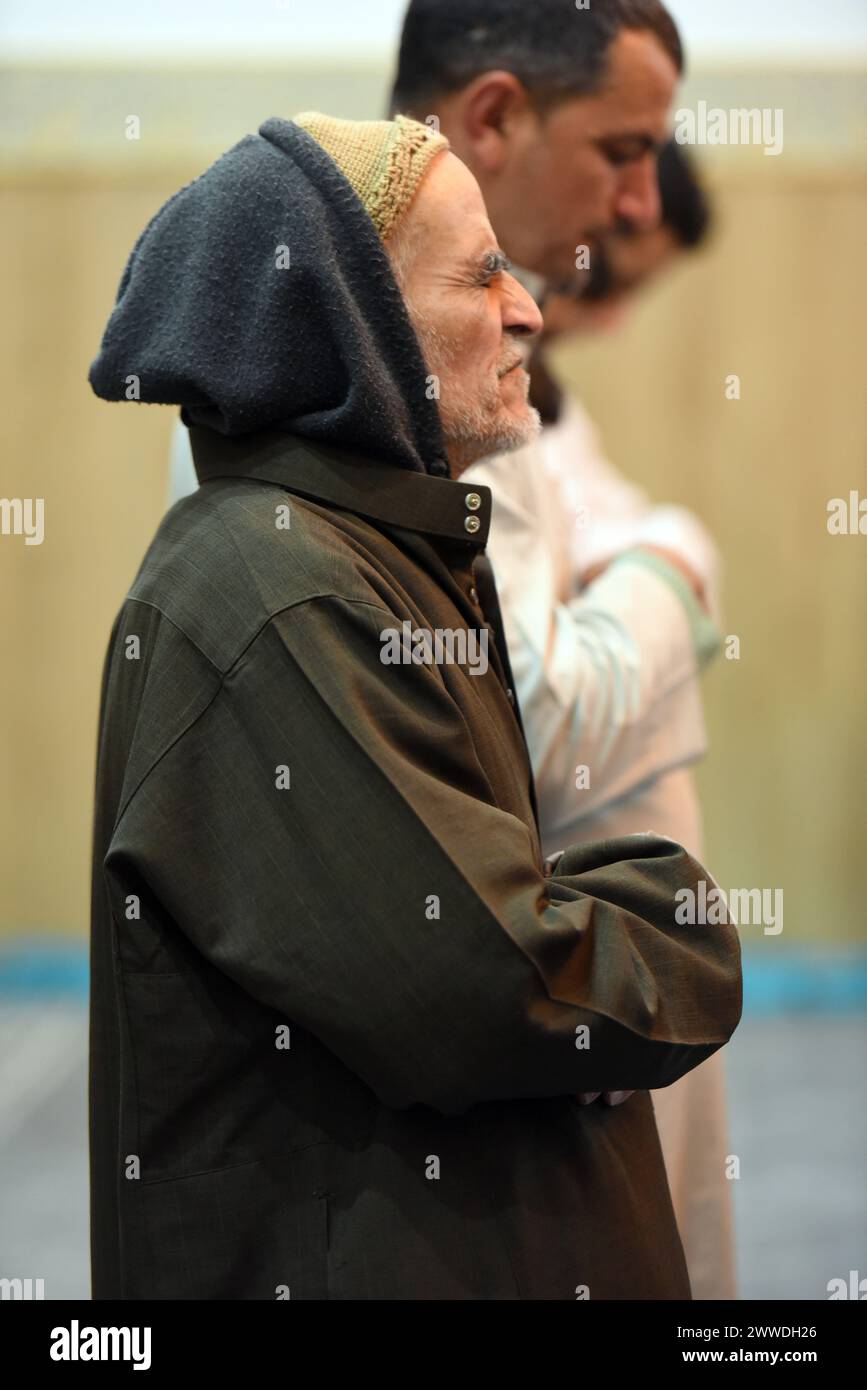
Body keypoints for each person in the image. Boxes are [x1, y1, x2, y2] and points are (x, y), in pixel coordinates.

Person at [87, 111, 741, 1300]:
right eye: (483, 274)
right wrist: (686, 918)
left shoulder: (360, 552)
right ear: (356, 320)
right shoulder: (278, 593)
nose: (529, 307)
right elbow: (486, 985)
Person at [464, 139, 736, 1298]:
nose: (605, 314)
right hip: (552, 890)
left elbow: (601, 524)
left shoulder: (542, 394)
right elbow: (552, 709)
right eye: (614, 268)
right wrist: (679, 555)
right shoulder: (458, 390)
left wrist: (654, 551)